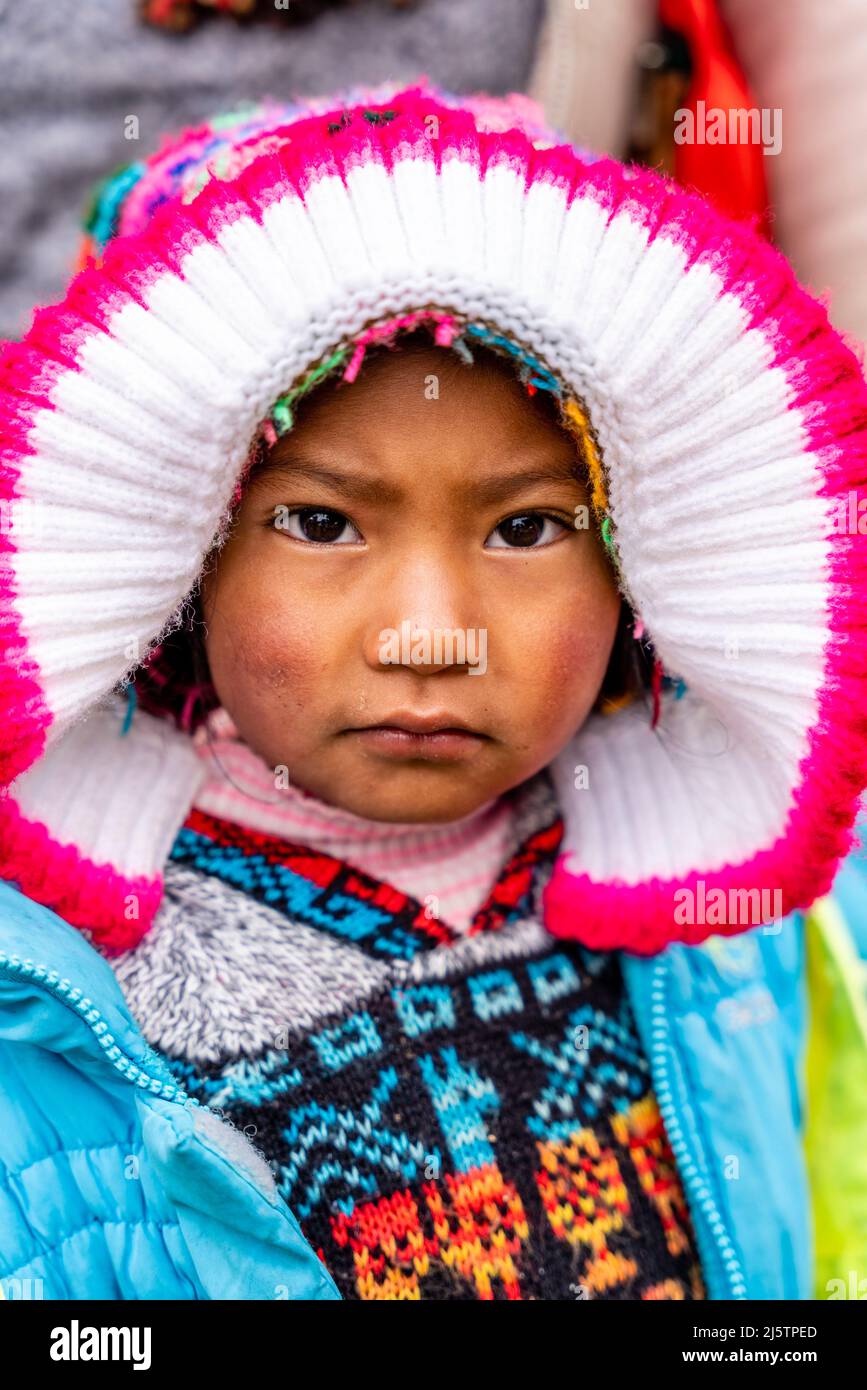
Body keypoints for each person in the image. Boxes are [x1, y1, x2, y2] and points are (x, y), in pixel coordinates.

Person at [0, 78, 865, 1302]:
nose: (431, 636)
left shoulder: (760, 923)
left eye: (523, 529)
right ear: (176, 564)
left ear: (638, 565)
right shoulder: (54, 1008)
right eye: (319, 521)